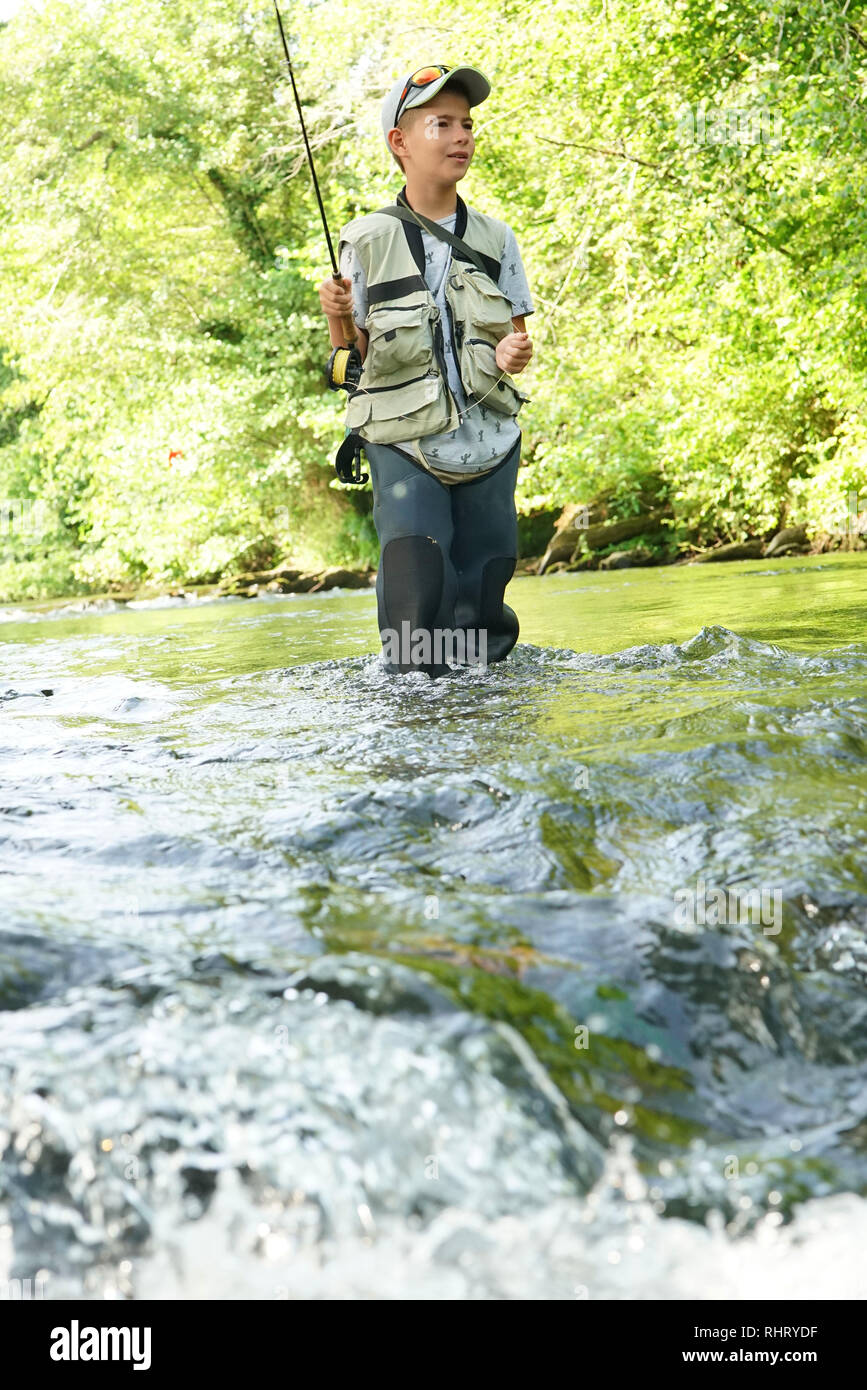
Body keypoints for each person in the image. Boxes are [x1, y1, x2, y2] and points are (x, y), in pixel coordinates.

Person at [318, 64, 535, 677]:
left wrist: (512, 356)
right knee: (419, 604)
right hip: (403, 443)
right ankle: (418, 721)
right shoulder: (365, 239)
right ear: (400, 143)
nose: (462, 136)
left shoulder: (498, 239)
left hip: (489, 441)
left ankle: (477, 710)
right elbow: (349, 366)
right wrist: (336, 319)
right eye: (442, 123)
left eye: (467, 124)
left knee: (483, 599)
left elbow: (516, 344)